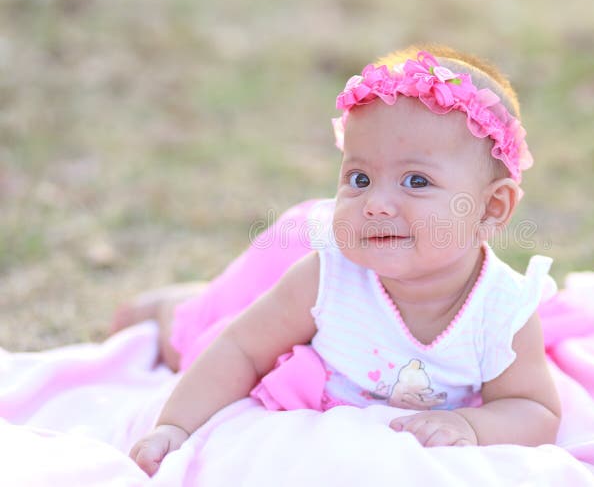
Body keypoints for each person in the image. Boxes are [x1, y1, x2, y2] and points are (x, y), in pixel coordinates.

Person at [121, 45, 562, 476]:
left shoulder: (502, 311)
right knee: (195, 338)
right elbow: (239, 350)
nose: (375, 203)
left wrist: (471, 424)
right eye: (360, 178)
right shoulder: (327, 278)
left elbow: (532, 407)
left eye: (415, 180)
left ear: (491, 209)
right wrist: (174, 427)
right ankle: (168, 307)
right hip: (288, 253)